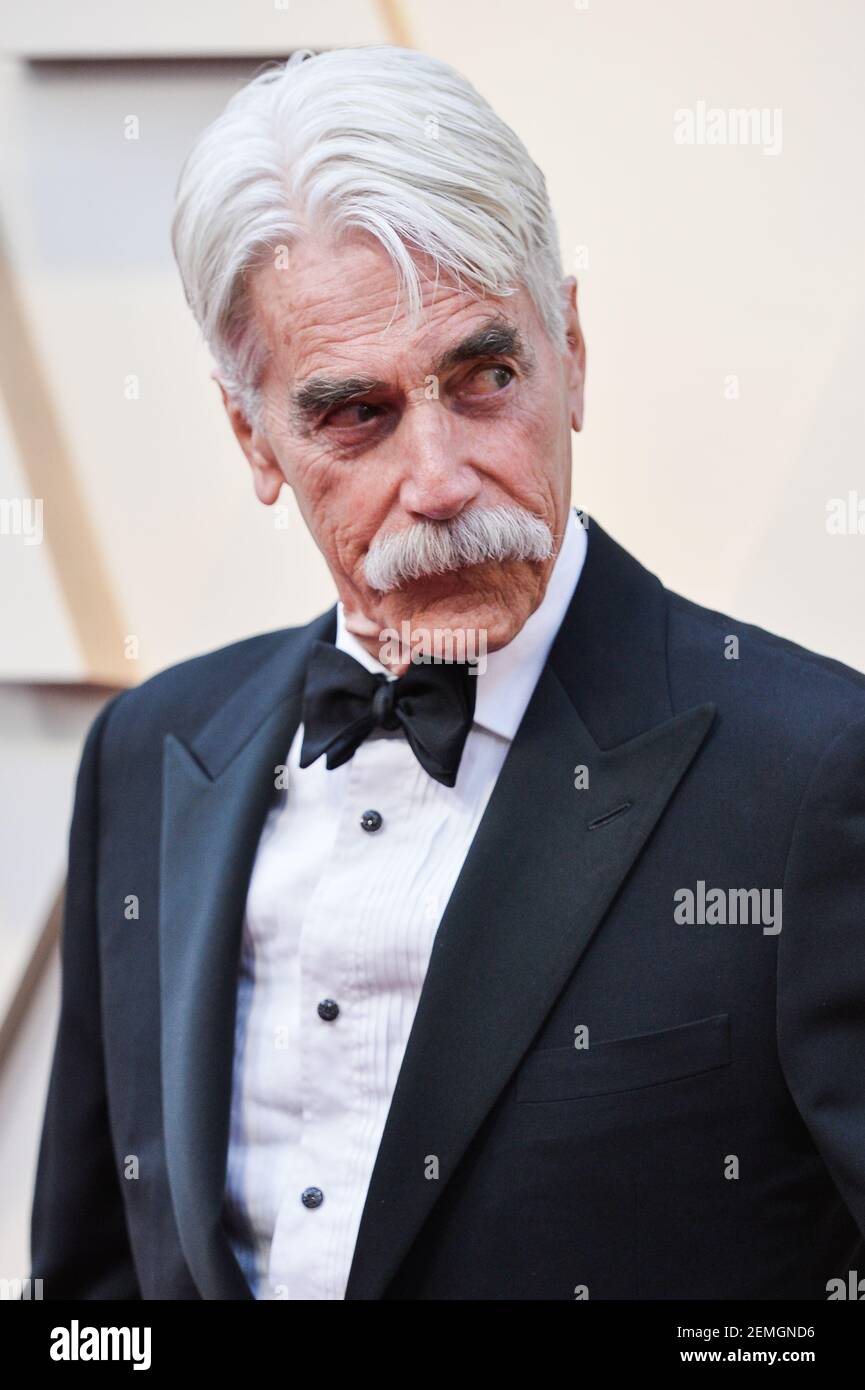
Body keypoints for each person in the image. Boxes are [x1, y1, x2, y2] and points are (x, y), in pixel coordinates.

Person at [31, 45, 865, 1300]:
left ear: (570, 351)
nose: (438, 481)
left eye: (484, 376)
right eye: (353, 413)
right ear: (250, 436)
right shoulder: (152, 748)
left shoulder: (813, 772)